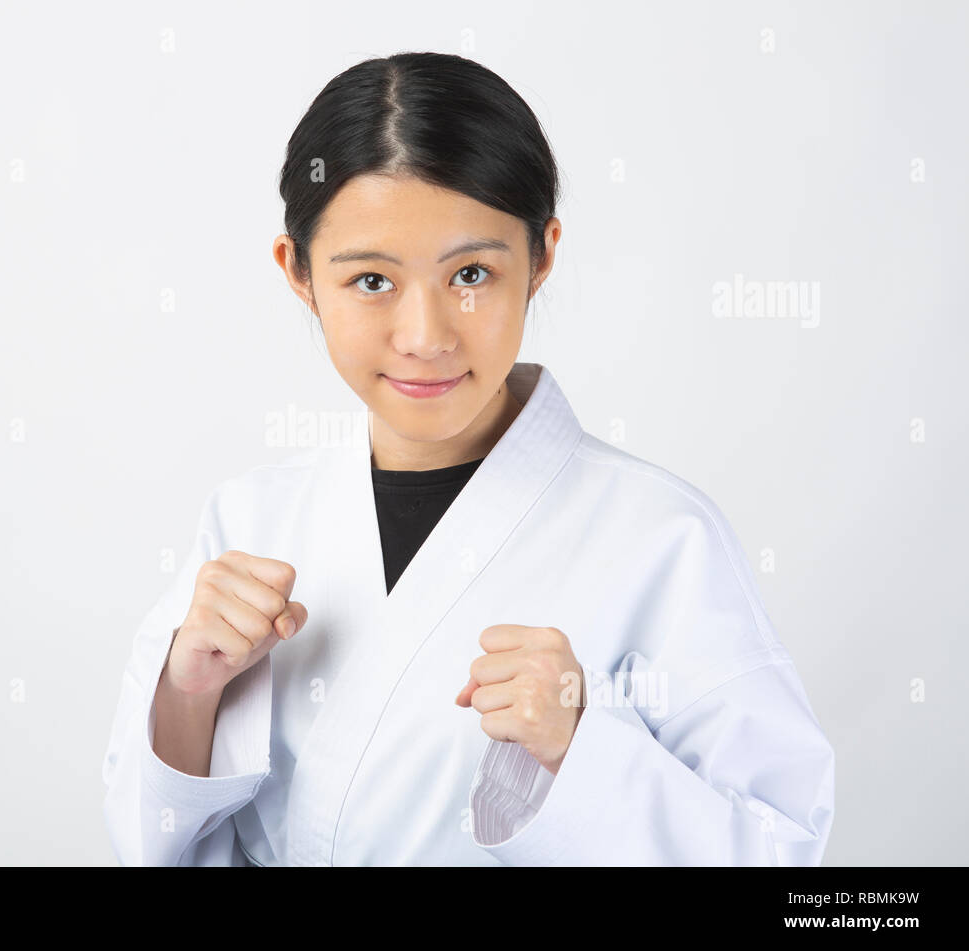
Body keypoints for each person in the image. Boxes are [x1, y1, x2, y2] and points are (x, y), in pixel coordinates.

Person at [102, 51, 835, 866]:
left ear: (543, 256)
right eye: (372, 281)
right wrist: (188, 698)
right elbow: (148, 846)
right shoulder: (250, 522)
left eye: (473, 273)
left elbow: (783, 848)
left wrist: (580, 754)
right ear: (300, 275)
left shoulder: (663, 537)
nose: (425, 336)